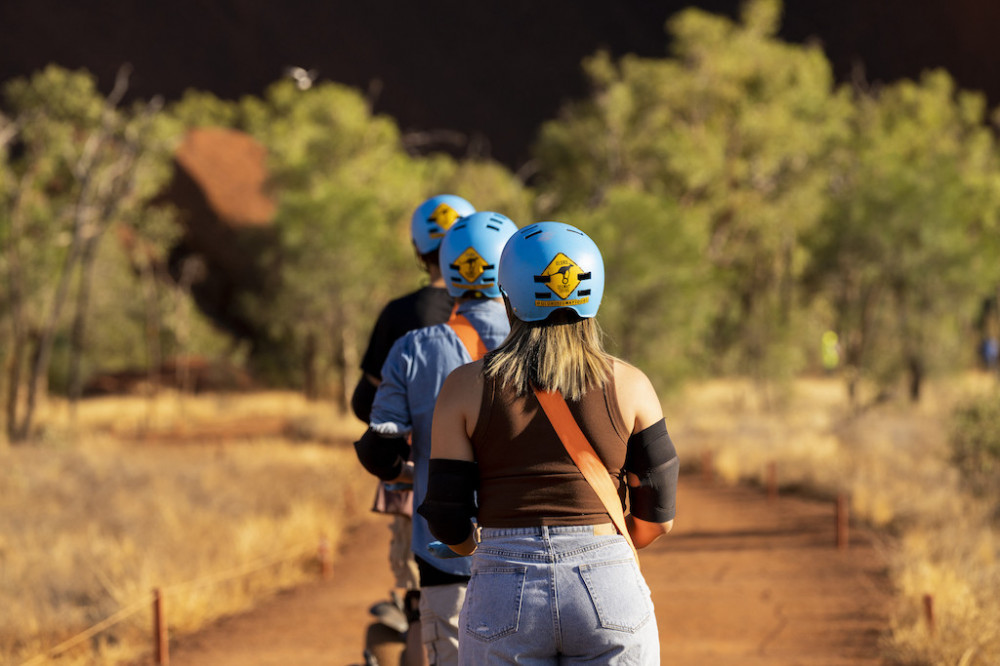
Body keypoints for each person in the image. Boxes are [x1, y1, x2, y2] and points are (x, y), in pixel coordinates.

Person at [419, 221, 678, 665]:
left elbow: (446, 518)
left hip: (502, 583)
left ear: (507, 296)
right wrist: (602, 553)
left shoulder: (463, 388)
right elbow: (657, 520)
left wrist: (478, 550)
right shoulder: (632, 385)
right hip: (609, 584)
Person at [355, 211, 519, 665]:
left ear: (447, 269)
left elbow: (379, 448)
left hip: (444, 550)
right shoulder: (548, 346)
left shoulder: (413, 348)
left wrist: (411, 472)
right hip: (532, 550)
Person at [351, 193, 475, 666]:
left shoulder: (400, 317)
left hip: (416, 487)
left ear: (418, 250)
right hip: (504, 493)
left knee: (424, 605)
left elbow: (366, 403)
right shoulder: (516, 313)